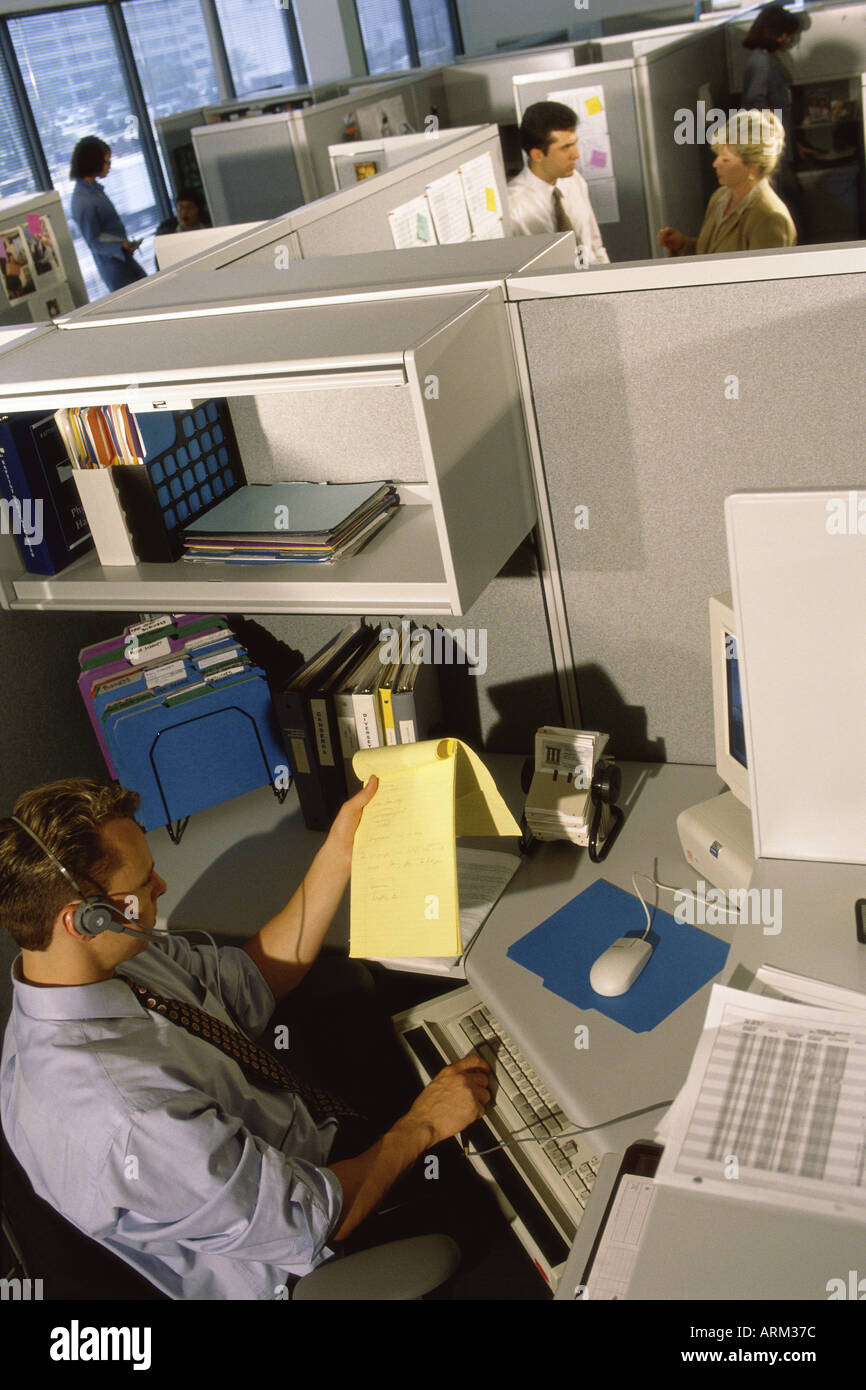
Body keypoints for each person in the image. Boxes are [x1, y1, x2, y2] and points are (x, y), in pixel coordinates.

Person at [0, 777, 492, 1300]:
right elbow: (315, 1219)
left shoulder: (112, 960)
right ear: (86, 919)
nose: (161, 888)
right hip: (312, 1249)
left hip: (306, 1143)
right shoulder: (127, 1115)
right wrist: (425, 1122)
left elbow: (250, 982)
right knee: (509, 1194)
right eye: (144, 884)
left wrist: (340, 852)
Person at [658, 110, 796, 256]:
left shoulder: (771, 217)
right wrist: (683, 245)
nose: (715, 164)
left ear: (752, 166)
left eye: (725, 159)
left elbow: (763, 277)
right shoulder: (720, 197)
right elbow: (713, 254)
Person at [507, 101, 609, 264]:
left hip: (593, 280)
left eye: (574, 143)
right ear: (537, 155)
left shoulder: (574, 180)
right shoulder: (513, 206)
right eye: (565, 147)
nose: (576, 154)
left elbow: (594, 245)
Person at [741, 3, 804, 232]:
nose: (787, 39)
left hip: (779, 150)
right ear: (771, 32)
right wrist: (774, 144)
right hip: (772, 153)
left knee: (790, 205)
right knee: (787, 210)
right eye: (783, 34)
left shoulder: (766, 59)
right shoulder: (760, 62)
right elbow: (755, 106)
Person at [69, 136, 146, 293]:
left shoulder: (94, 190)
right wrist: (120, 245)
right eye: (107, 162)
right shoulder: (83, 200)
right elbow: (94, 240)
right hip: (113, 265)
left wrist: (124, 244)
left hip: (124, 258)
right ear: (93, 162)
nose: (109, 166)